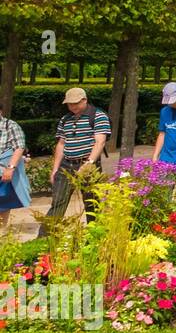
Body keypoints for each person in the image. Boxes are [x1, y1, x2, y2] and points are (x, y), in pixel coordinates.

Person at [39, 87, 111, 236]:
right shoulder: (66, 119)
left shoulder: (98, 116)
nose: (72, 107)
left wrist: (89, 163)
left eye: (75, 103)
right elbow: (61, 144)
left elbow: (100, 142)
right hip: (67, 164)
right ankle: (44, 240)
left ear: (84, 100)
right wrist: (55, 169)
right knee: (58, 203)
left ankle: (95, 238)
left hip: (88, 164)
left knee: (92, 204)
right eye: (69, 104)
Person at [0, 104, 31, 230]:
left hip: (3, 170)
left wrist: (11, 168)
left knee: (2, 204)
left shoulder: (10, 126)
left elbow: (19, 147)